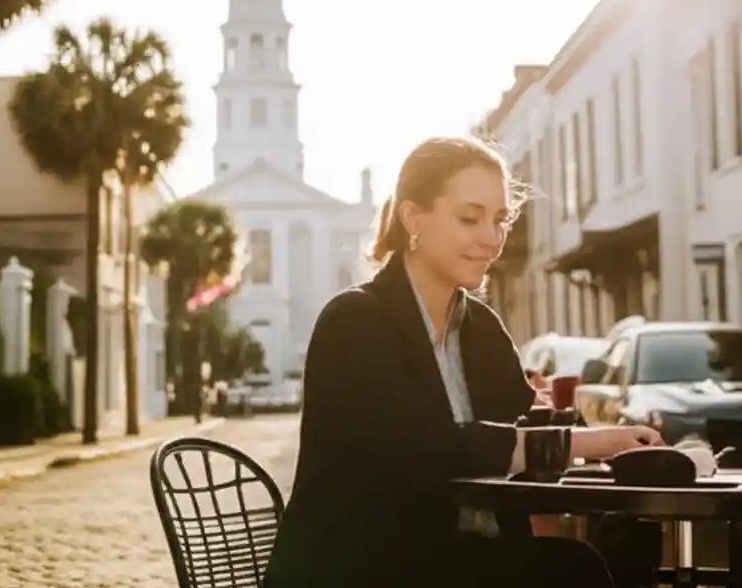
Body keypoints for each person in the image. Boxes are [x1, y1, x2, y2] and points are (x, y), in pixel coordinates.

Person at [264, 137, 663, 588]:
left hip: (458, 559)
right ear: (414, 217)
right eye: (470, 218)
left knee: (620, 552)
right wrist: (581, 443)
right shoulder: (354, 322)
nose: (492, 239)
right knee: (573, 571)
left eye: (501, 219)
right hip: (362, 565)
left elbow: (524, 430)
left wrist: (623, 445)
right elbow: (430, 450)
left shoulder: (481, 329)